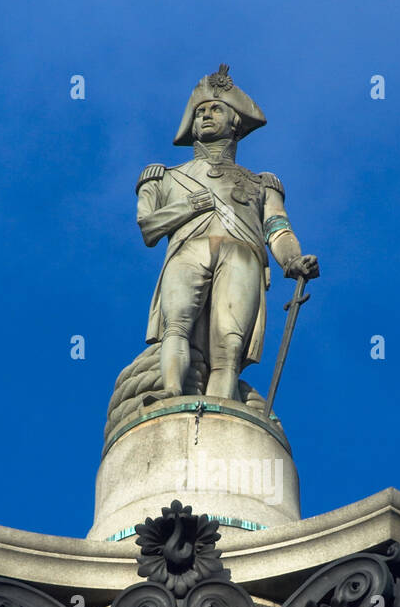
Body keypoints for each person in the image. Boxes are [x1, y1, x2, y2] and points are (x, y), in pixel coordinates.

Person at [136, 65, 319, 402]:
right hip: (187, 250)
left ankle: (221, 407)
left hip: (243, 255)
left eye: (215, 109)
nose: (206, 115)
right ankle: (172, 393)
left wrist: (292, 261)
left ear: (235, 121)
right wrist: (189, 207)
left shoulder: (262, 183)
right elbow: (148, 228)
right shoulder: (163, 177)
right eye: (200, 111)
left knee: (229, 344)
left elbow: (277, 228)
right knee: (176, 325)